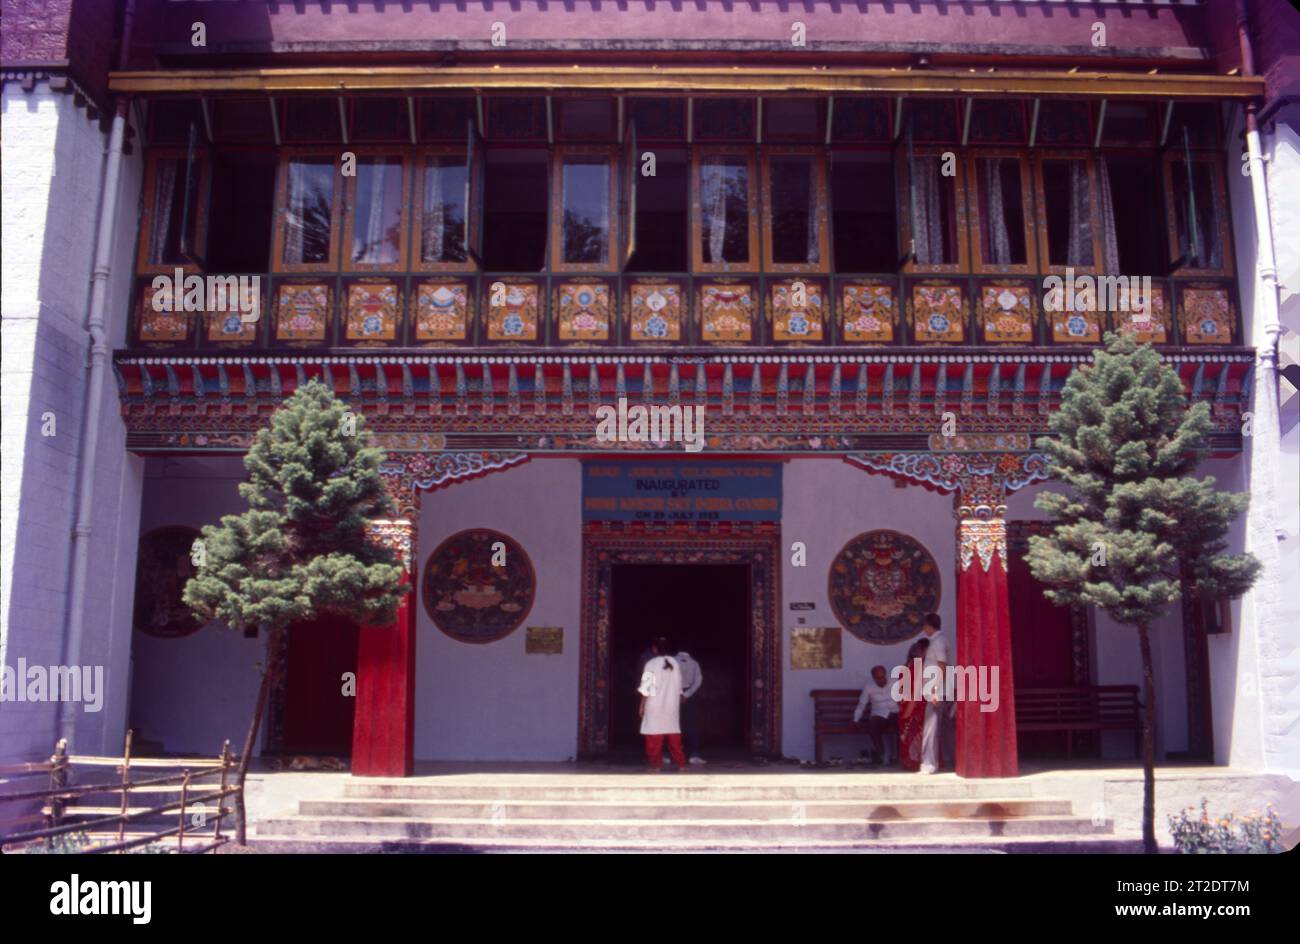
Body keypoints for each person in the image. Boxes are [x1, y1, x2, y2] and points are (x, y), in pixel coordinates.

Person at [638, 637, 687, 773]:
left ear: (654, 649)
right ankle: (681, 764)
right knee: (673, 734)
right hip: (671, 704)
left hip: (654, 704)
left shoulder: (651, 664)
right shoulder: (675, 663)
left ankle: (656, 765)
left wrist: (642, 704)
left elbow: (647, 687)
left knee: (654, 735)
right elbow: (678, 686)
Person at [919, 612, 956, 775]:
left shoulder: (938, 642)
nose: (923, 629)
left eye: (924, 626)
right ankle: (957, 760)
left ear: (929, 625)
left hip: (938, 692)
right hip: (943, 690)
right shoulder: (940, 640)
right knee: (947, 729)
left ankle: (929, 764)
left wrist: (934, 690)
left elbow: (941, 666)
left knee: (931, 728)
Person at [853, 664, 899, 766]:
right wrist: (856, 719)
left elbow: (904, 699)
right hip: (879, 715)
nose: (881, 680)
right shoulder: (868, 686)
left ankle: (900, 757)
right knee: (872, 724)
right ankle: (882, 755)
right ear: (873, 677)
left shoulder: (895, 683)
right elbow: (861, 704)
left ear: (885, 675)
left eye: (882, 677)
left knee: (903, 724)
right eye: (878, 678)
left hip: (895, 713)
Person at [897, 637, 929, 772]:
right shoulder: (919, 667)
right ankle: (917, 763)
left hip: (908, 705)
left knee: (909, 734)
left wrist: (904, 708)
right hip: (916, 706)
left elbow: (900, 692)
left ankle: (910, 763)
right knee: (918, 734)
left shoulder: (906, 667)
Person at [676, 650, 706, 765]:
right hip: (690, 696)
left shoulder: (672, 661)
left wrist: (678, 694)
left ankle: (668, 754)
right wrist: (686, 694)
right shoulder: (694, 663)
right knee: (691, 724)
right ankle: (694, 754)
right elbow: (698, 681)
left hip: (673, 695)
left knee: (672, 724)